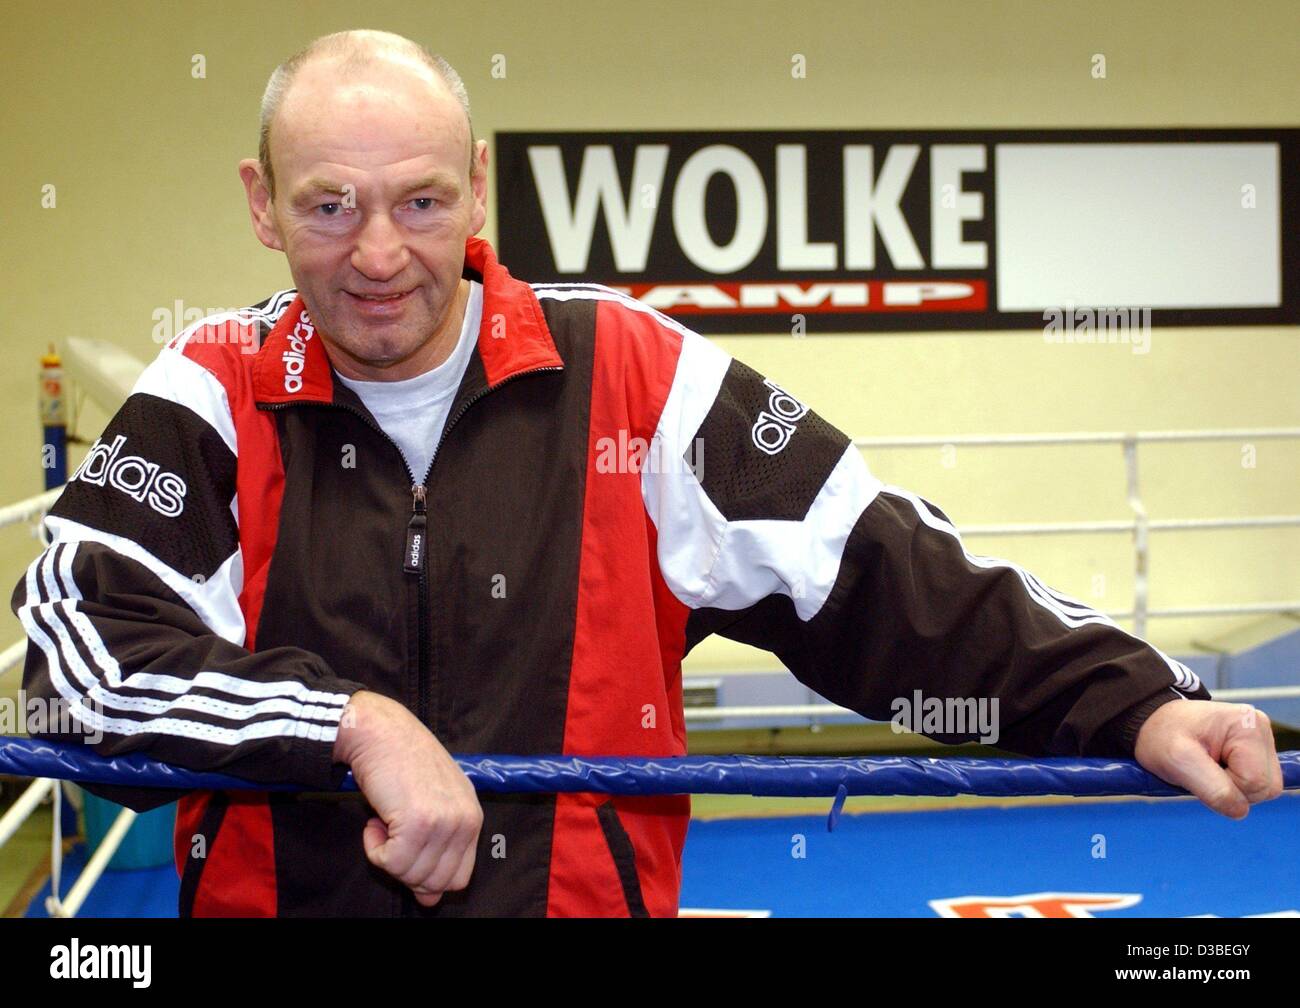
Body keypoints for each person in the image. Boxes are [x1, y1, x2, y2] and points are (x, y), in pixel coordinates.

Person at [10, 29, 1283, 917]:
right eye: (330, 204)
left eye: (422, 201)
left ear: (479, 190)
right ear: (261, 202)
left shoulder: (632, 372)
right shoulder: (213, 385)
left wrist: (1133, 700)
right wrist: (346, 725)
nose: (382, 252)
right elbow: (68, 666)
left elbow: (882, 569)